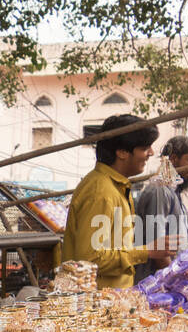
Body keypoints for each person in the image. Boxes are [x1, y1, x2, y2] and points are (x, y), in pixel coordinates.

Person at [57, 114, 179, 288]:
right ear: (122, 152)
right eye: (145, 148)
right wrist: (148, 251)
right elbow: (90, 260)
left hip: (111, 301)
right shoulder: (101, 192)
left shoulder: (116, 187)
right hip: (95, 305)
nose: (151, 153)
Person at [135, 135, 188, 280]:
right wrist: (174, 281)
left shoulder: (174, 191)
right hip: (157, 283)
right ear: (174, 159)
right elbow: (158, 247)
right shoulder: (160, 190)